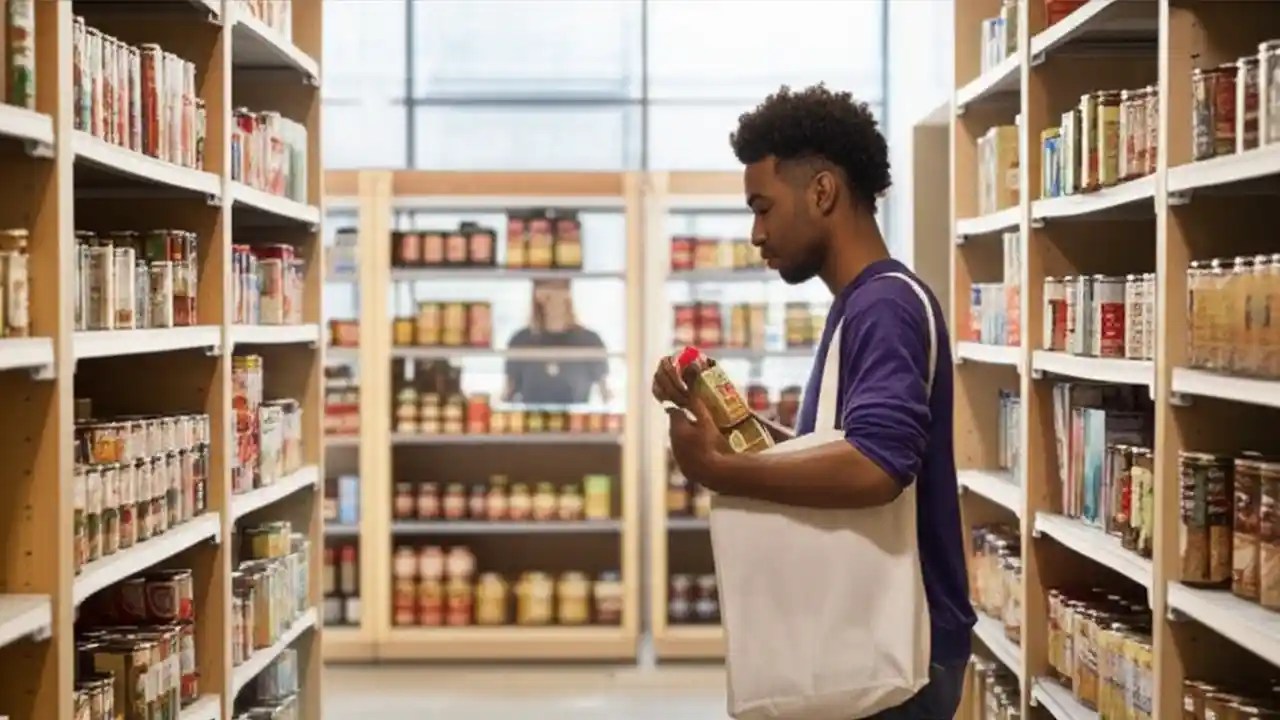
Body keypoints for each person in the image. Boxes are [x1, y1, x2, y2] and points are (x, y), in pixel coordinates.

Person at [651, 84, 975, 720]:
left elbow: (876, 467)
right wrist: (730, 419)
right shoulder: (865, 302)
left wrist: (718, 469)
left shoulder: (882, 305)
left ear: (822, 192)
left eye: (764, 207)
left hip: (901, 651)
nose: (756, 233)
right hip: (884, 638)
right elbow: (842, 445)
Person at [505, 279, 611, 405]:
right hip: (532, 422)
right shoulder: (520, 341)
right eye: (545, 289)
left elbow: (606, 396)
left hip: (576, 422)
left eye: (558, 288)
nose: (553, 295)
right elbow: (508, 394)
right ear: (537, 295)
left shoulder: (590, 341)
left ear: (567, 293)